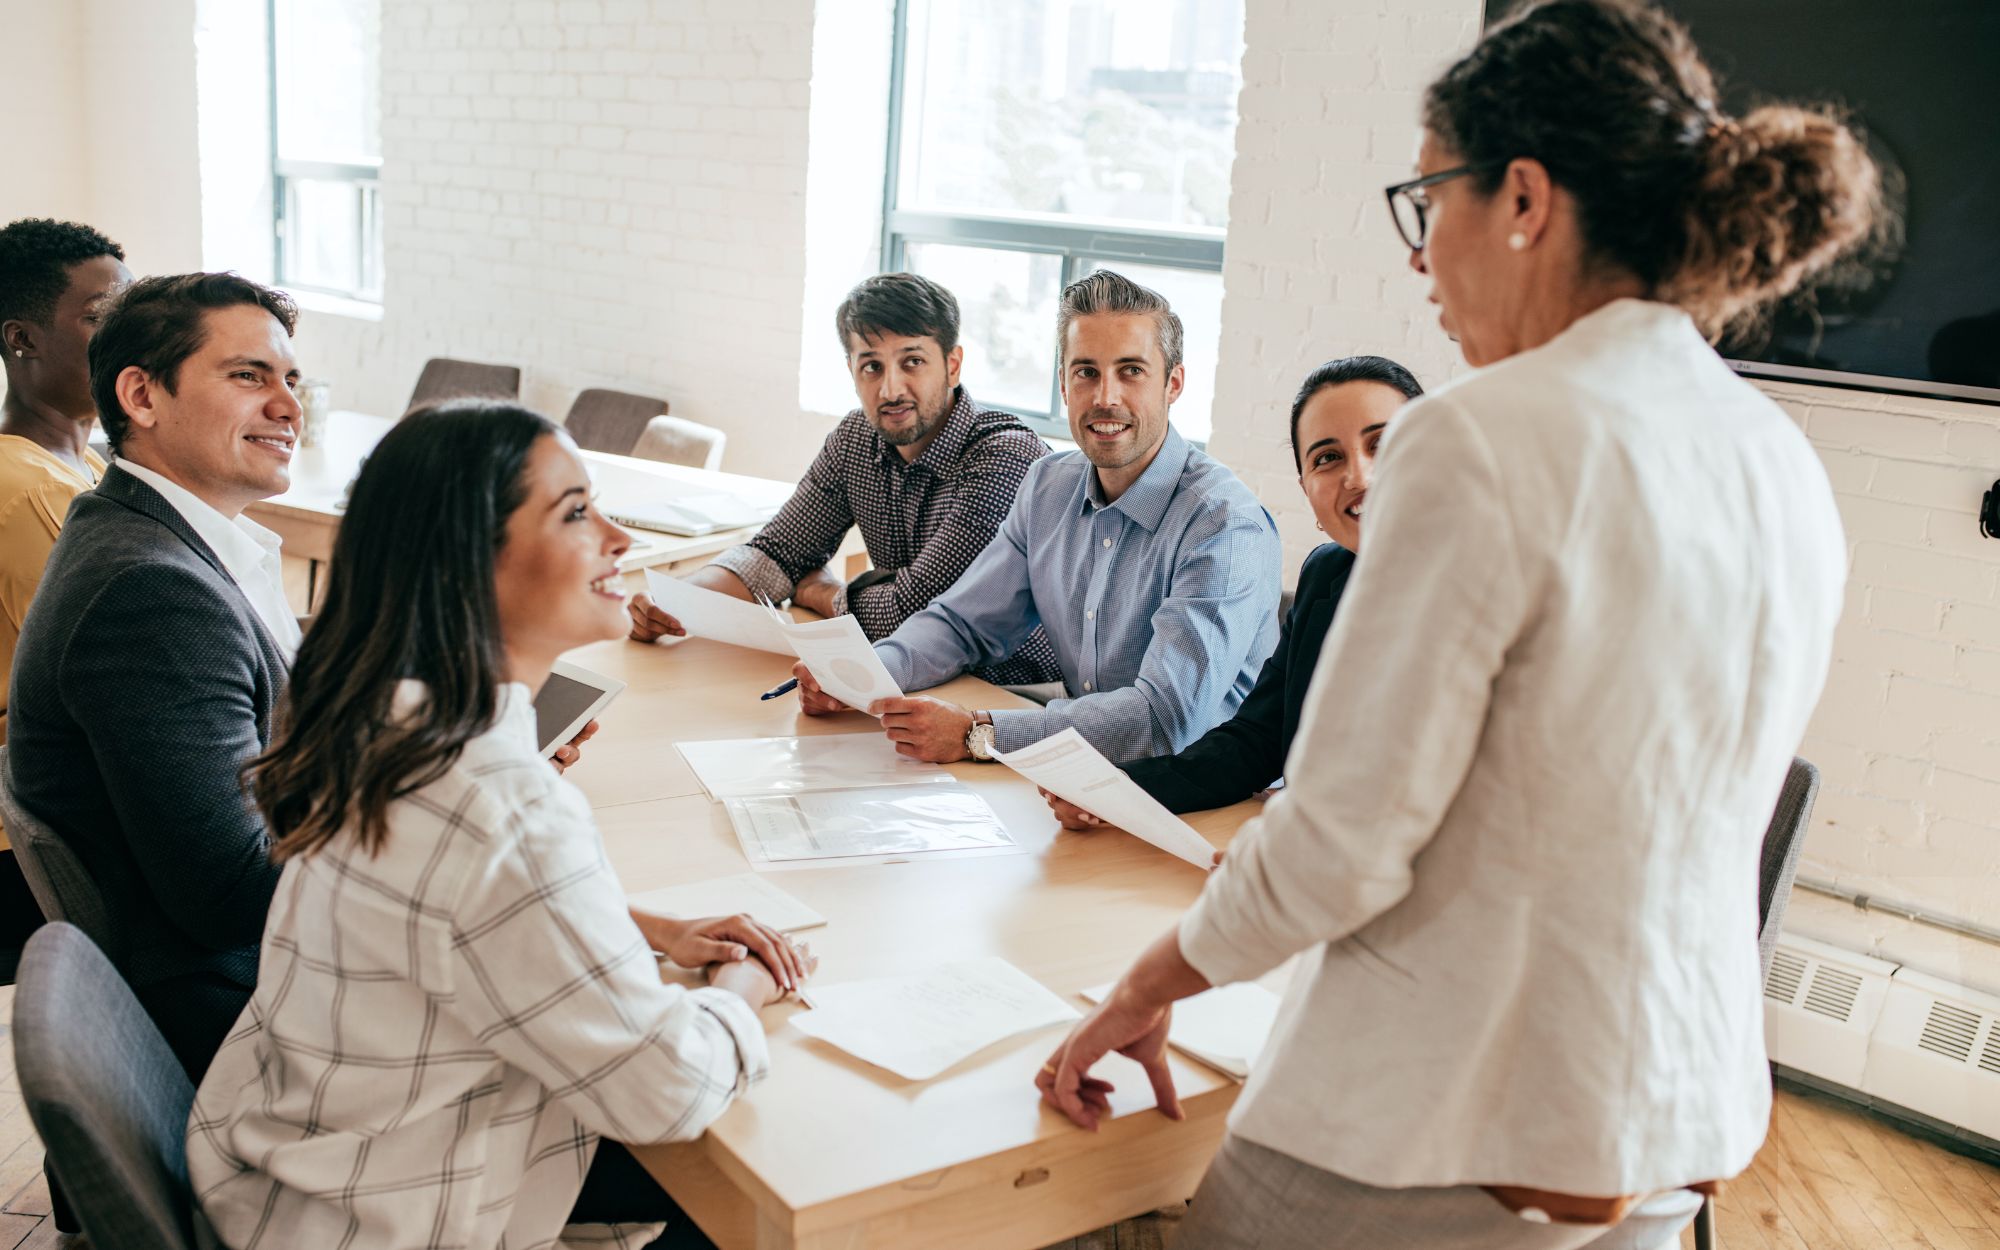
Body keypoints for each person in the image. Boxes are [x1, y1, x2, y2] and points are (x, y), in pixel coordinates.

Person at [1035, 3, 1884, 1248]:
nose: (1422, 260)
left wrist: (1148, 982)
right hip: (1661, 1130)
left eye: (1429, 200)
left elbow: (1343, 836)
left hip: (1440, 1126)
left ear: (1523, 198)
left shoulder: (1478, 437)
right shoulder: (1774, 456)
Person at [188, 403, 813, 1249]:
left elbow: (443, 913)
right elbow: (667, 1089)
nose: (618, 539)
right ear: (466, 564)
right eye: (576, 513)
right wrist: (746, 987)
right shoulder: (498, 803)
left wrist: (643, 930)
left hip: (286, 1185)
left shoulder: (388, 719)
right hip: (366, 1222)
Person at [794, 269, 1282, 767]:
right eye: (1086, 372)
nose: (1105, 397)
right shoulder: (1048, 485)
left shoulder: (1223, 524)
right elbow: (963, 623)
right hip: (1084, 781)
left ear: (1173, 383)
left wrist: (978, 734)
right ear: (1065, 386)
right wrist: (862, 673)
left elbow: (1164, 719)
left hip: (1211, 799)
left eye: (1131, 371)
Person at [6, 272, 304, 1083]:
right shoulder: (152, 592)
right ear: (141, 394)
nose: (287, 406)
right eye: (249, 375)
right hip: (250, 1026)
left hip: (263, 983)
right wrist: (434, 815)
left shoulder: (153, 536)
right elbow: (230, 894)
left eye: (290, 379)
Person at [1042, 355, 1421, 829]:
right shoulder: (1328, 575)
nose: (1359, 477)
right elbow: (1256, 741)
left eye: (1382, 444)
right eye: (1328, 458)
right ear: (1307, 492)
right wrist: (1118, 792)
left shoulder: (1502, 586)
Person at [628, 272, 1061, 685]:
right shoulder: (856, 439)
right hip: (910, 675)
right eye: (871, 367)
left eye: (912, 362)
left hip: (1016, 690)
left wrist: (826, 593)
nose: (891, 389)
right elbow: (777, 552)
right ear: (851, 369)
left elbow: (917, 614)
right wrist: (676, 602)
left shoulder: (1003, 457)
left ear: (952, 365)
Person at [0, 217, 130, 958]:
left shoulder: (79, 469)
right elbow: (109, 688)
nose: (131, 335)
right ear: (23, 340)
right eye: (100, 317)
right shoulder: (27, 490)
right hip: (37, 853)